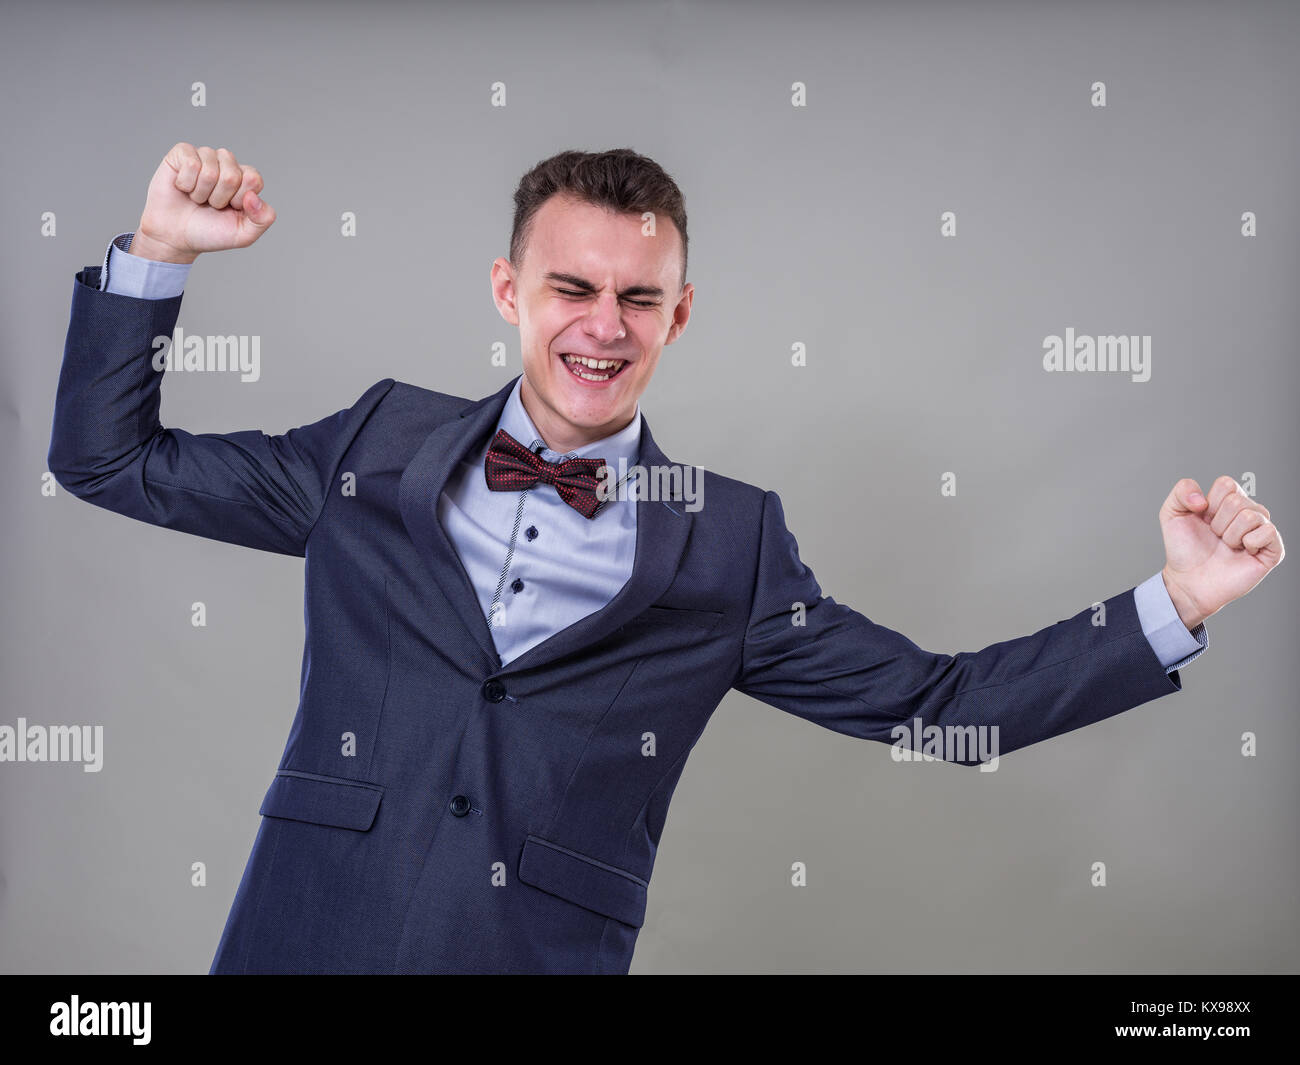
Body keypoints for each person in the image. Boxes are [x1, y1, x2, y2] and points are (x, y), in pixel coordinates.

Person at [47, 143, 1285, 974]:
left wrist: (1175, 600)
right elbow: (111, 463)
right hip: (304, 941)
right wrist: (163, 252)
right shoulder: (376, 441)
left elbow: (936, 709)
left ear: (678, 313)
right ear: (507, 289)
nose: (603, 325)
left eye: (640, 298)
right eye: (571, 286)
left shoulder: (729, 543)